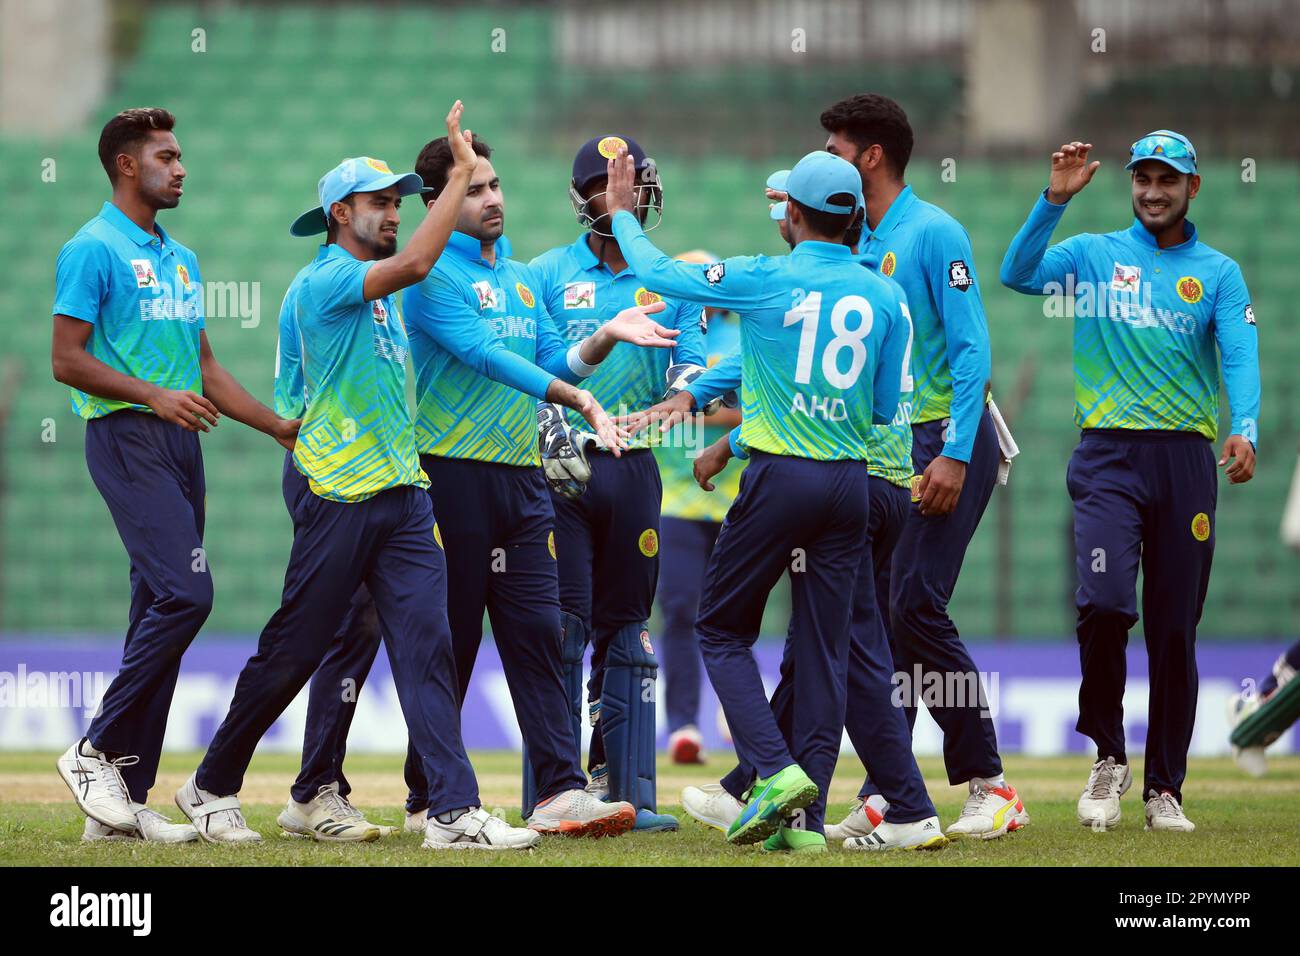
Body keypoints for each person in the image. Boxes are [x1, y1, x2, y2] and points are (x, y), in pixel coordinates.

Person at [178, 103, 616, 850]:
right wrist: (461, 173)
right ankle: (211, 784)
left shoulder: (382, 285)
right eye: (381, 203)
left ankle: (449, 809)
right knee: (295, 648)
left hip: (403, 491)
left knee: (428, 646)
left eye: (398, 202)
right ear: (340, 212)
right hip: (335, 488)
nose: (393, 212)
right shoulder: (326, 282)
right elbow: (418, 263)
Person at [606, 147, 909, 851]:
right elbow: (887, 407)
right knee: (824, 651)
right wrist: (700, 401)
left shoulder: (764, 278)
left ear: (794, 215)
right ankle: (803, 828)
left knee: (717, 628)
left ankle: (772, 773)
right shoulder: (885, 295)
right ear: (856, 218)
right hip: (850, 482)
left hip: (780, 479)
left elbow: (657, 273)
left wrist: (623, 216)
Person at [52, 107, 299, 844]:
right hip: (126, 436)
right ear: (127, 165)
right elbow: (67, 359)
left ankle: (120, 806)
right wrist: (151, 394)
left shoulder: (182, 259)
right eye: (167, 155)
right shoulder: (90, 248)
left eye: (181, 154)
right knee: (189, 594)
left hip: (181, 446)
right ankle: (91, 750)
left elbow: (205, 368)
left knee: (154, 606)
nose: (181, 166)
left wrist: (277, 428)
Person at [1001, 130, 1260, 832]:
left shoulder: (1218, 273)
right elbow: (1017, 273)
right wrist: (1053, 200)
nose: (1152, 191)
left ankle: (1164, 789)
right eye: (1142, 178)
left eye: (1167, 180)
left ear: (1192, 187)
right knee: (1106, 602)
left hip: (1184, 463)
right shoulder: (1092, 254)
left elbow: (1239, 355)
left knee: (1175, 629)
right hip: (1107, 457)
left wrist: (1249, 427)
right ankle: (1108, 757)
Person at [820, 94, 1027, 840]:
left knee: (913, 605)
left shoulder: (935, 232)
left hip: (947, 442)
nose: (827, 163)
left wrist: (954, 453)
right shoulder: (852, 239)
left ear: (871, 156)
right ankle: (887, 791)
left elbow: (973, 350)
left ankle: (991, 782)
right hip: (890, 449)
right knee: (886, 615)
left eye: (837, 150)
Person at [528, 135, 707, 831]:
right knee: (564, 629)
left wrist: (676, 402)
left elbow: (692, 366)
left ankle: (622, 788)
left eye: (638, 181)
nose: (631, 195)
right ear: (585, 199)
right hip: (560, 469)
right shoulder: (545, 274)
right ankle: (555, 786)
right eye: (614, 184)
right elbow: (533, 370)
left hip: (634, 471)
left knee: (625, 634)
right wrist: (551, 433)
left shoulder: (666, 277)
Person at [653, 250, 744, 765]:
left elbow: (751, 406)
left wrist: (691, 405)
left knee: (734, 613)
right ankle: (685, 725)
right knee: (681, 611)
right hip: (675, 500)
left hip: (736, 500)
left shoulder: (736, 336)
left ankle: (737, 716)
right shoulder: (666, 337)